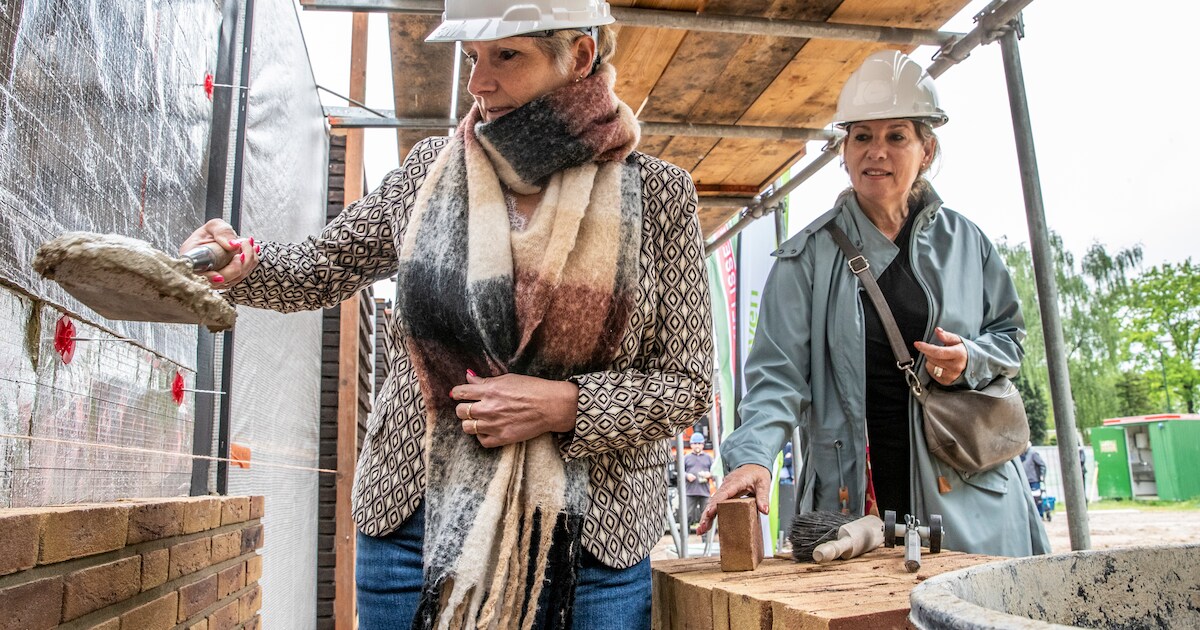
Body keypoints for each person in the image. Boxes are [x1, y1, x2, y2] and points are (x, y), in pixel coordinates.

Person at [181, 1, 714, 627]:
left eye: (506, 56)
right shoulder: (426, 177)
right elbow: (319, 266)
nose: (477, 83)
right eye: (472, 58)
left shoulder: (657, 194)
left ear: (579, 56)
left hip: (590, 541)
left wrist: (564, 405)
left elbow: (688, 384)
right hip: (416, 528)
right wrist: (246, 266)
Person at [698, 50, 1049, 557]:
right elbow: (777, 378)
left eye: (896, 136)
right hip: (853, 500)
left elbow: (1010, 340)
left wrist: (971, 359)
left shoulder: (968, 244)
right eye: (862, 136)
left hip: (970, 492)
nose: (876, 152)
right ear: (844, 151)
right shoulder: (806, 258)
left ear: (926, 150)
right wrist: (753, 458)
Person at [683, 432, 713, 530]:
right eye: (695, 443)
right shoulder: (686, 458)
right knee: (687, 516)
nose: (697, 445)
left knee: (705, 517)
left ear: (703, 445)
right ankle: (685, 540)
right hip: (690, 492)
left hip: (704, 492)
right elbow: (679, 472)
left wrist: (709, 474)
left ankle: (706, 540)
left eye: (699, 443)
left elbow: (715, 472)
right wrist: (687, 475)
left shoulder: (709, 458)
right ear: (691, 445)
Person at [1021, 443, 1048, 520]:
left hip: (1034, 480)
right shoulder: (1021, 455)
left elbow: (1042, 465)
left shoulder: (1033, 453)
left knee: (1037, 498)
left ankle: (1040, 515)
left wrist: (1042, 476)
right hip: (1025, 481)